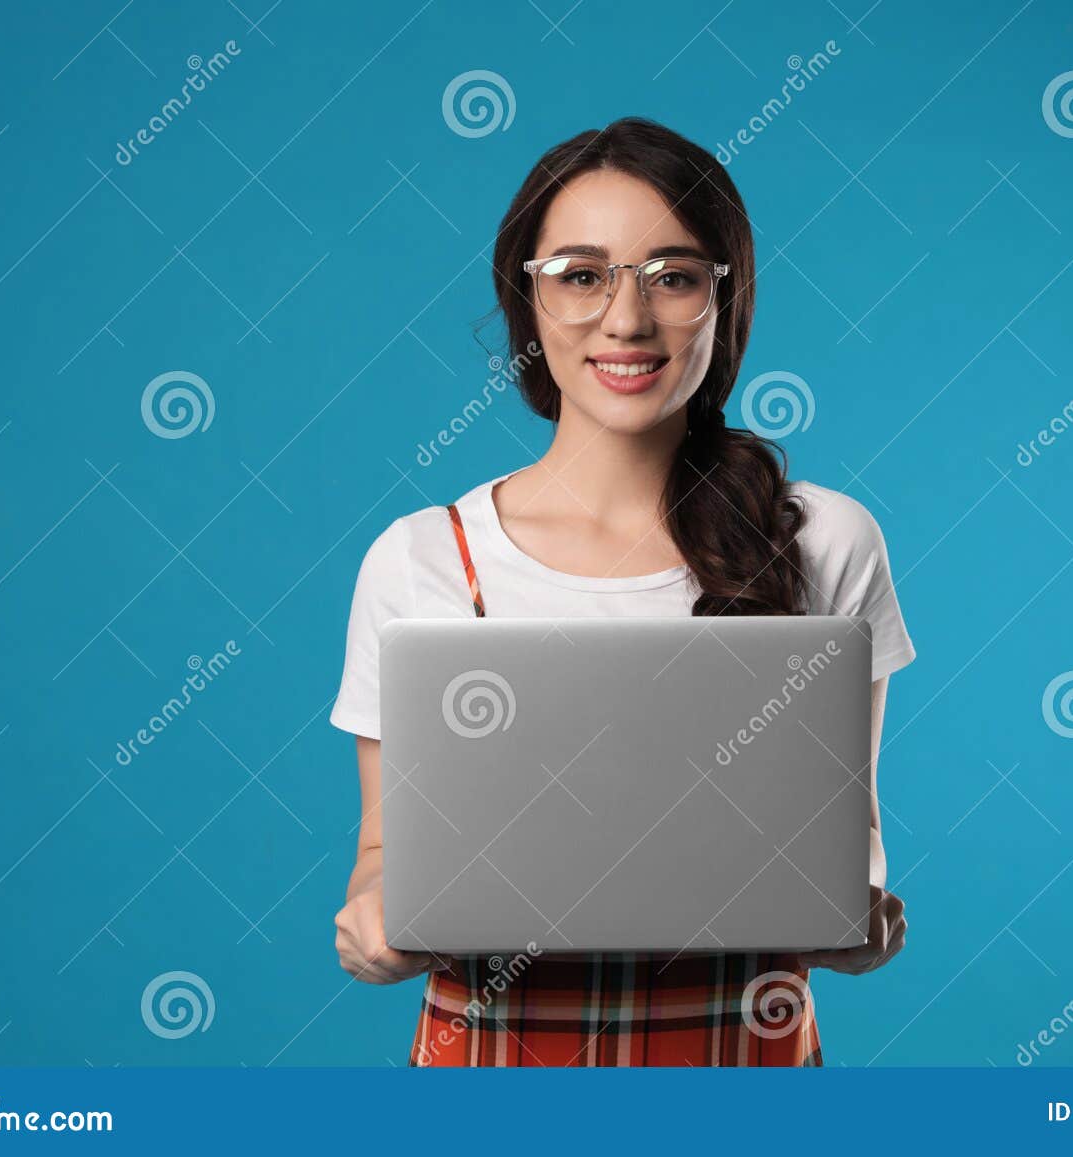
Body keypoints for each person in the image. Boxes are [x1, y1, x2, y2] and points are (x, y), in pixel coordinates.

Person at [331, 117, 916, 1066]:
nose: (627, 319)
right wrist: (375, 929)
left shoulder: (822, 540)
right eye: (581, 274)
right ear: (528, 301)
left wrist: (861, 924)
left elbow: (849, 853)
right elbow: (385, 865)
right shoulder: (424, 558)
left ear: (725, 300)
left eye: (673, 276)